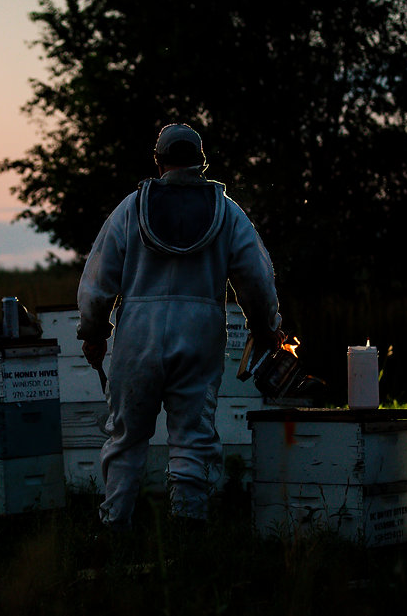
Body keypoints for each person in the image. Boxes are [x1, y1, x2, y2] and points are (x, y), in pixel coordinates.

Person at [77, 122, 284, 530]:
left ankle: (115, 524)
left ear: (159, 161)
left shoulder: (130, 208)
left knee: (127, 435)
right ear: (201, 163)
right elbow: (257, 279)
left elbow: (97, 280)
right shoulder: (227, 211)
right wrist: (266, 328)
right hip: (200, 332)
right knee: (191, 433)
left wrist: (94, 332)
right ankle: (188, 526)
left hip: (138, 333)